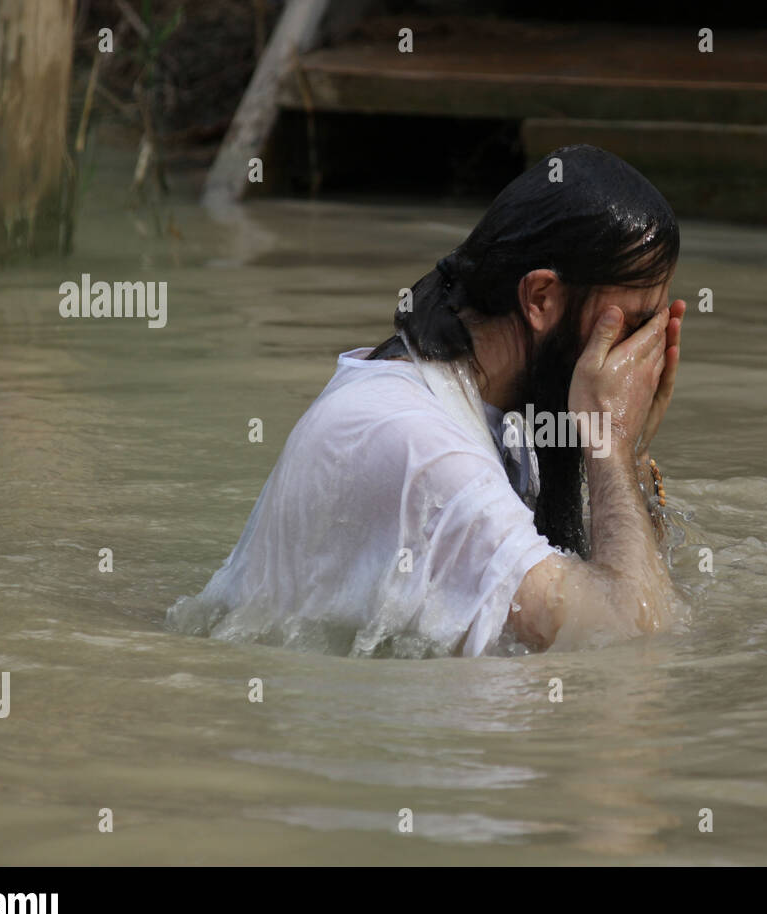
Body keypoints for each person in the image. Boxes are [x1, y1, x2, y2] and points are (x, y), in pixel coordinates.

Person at [167, 144, 686, 656]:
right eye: (635, 326)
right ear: (541, 299)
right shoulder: (416, 441)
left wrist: (634, 453)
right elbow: (625, 643)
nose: (643, 357)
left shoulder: (496, 410)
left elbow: (637, 591)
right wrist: (609, 442)